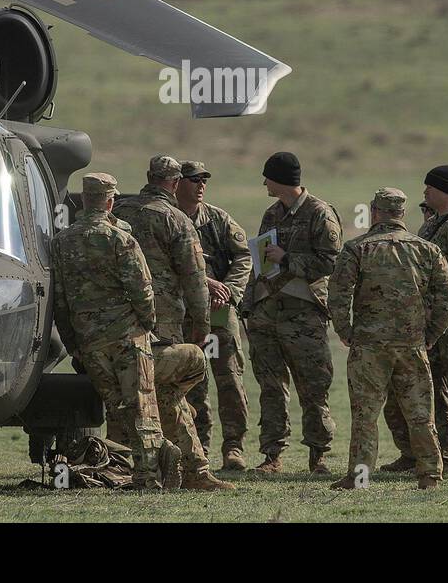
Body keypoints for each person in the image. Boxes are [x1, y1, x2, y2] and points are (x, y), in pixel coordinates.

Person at [113, 155, 232, 491]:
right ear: (175, 183)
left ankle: (142, 469)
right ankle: (190, 470)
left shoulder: (119, 212)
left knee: (131, 395)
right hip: (163, 325)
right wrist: (202, 325)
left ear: (149, 177)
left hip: (119, 324)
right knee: (166, 392)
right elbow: (195, 279)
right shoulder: (177, 219)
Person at [329, 188, 448, 491]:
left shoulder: (357, 248)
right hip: (411, 345)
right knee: (420, 413)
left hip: (369, 347)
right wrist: (431, 334)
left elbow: (338, 293)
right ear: (401, 213)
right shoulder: (426, 249)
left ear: (374, 211)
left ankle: (359, 478)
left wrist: (345, 331)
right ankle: (430, 476)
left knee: (365, 415)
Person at [49, 173, 164, 490]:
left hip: (89, 341)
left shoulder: (61, 242)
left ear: (84, 200)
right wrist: (146, 325)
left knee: (118, 407)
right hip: (127, 336)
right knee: (141, 407)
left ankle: (135, 467)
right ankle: (148, 475)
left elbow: (60, 301)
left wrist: (73, 343)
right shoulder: (120, 239)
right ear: (111, 202)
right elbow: (142, 289)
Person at [242, 151, 343, 474]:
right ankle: (272, 456)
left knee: (313, 387)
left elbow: (331, 263)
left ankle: (319, 456)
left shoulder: (320, 214)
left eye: (267, 177)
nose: (263, 183)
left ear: (282, 180)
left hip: (303, 315)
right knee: (270, 388)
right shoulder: (272, 213)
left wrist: (288, 259)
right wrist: (248, 304)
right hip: (267, 312)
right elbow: (258, 264)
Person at [381, 165, 448, 473]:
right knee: (431, 390)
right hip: (432, 321)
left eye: (429, 187)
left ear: (444, 190)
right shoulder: (432, 225)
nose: (424, 192)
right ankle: (438, 454)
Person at [175, 159, 253, 471]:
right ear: (177, 183)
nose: (201, 185)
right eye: (194, 180)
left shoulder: (218, 220)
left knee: (229, 379)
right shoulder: (168, 220)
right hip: (184, 315)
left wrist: (230, 291)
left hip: (219, 317)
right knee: (192, 382)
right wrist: (203, 283)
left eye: (204, 179)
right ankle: (198, 448)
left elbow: (243, 257)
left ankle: (234, 448)